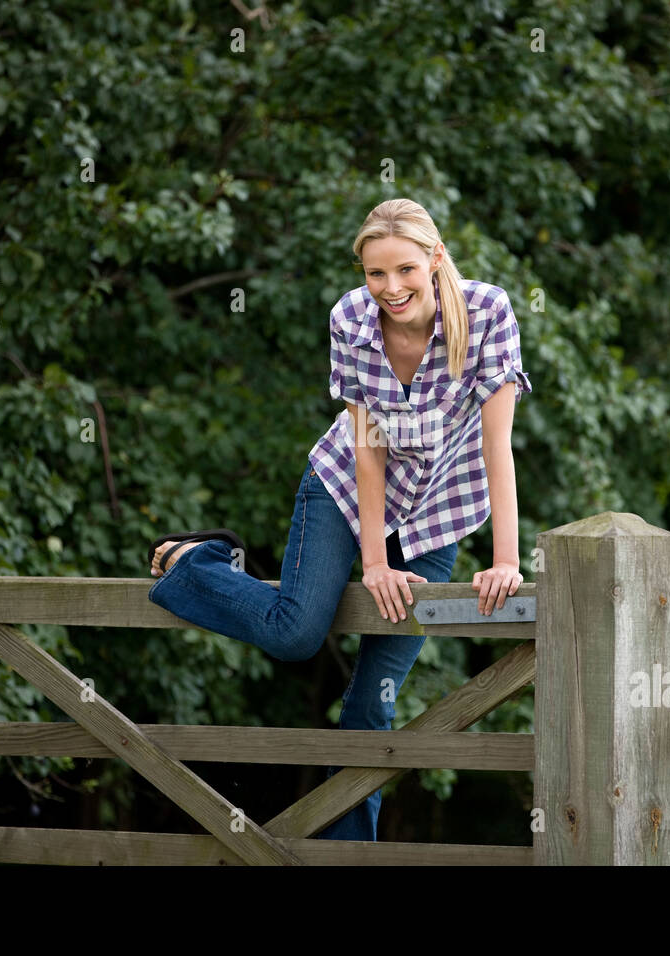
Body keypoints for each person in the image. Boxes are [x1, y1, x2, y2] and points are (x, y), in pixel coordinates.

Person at [146, 197, 532, 841]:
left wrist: (505, 561)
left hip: (438, 510)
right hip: (344, 488)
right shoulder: (352, 319)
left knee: (371, 700)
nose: (390, 289)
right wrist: (374, 560)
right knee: (296, 632)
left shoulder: (488, 313)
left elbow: (498, 446)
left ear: (436, 259)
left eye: (405, 270)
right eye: (375, 274)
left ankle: (346, 854)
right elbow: (367, 446)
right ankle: (194, 562)